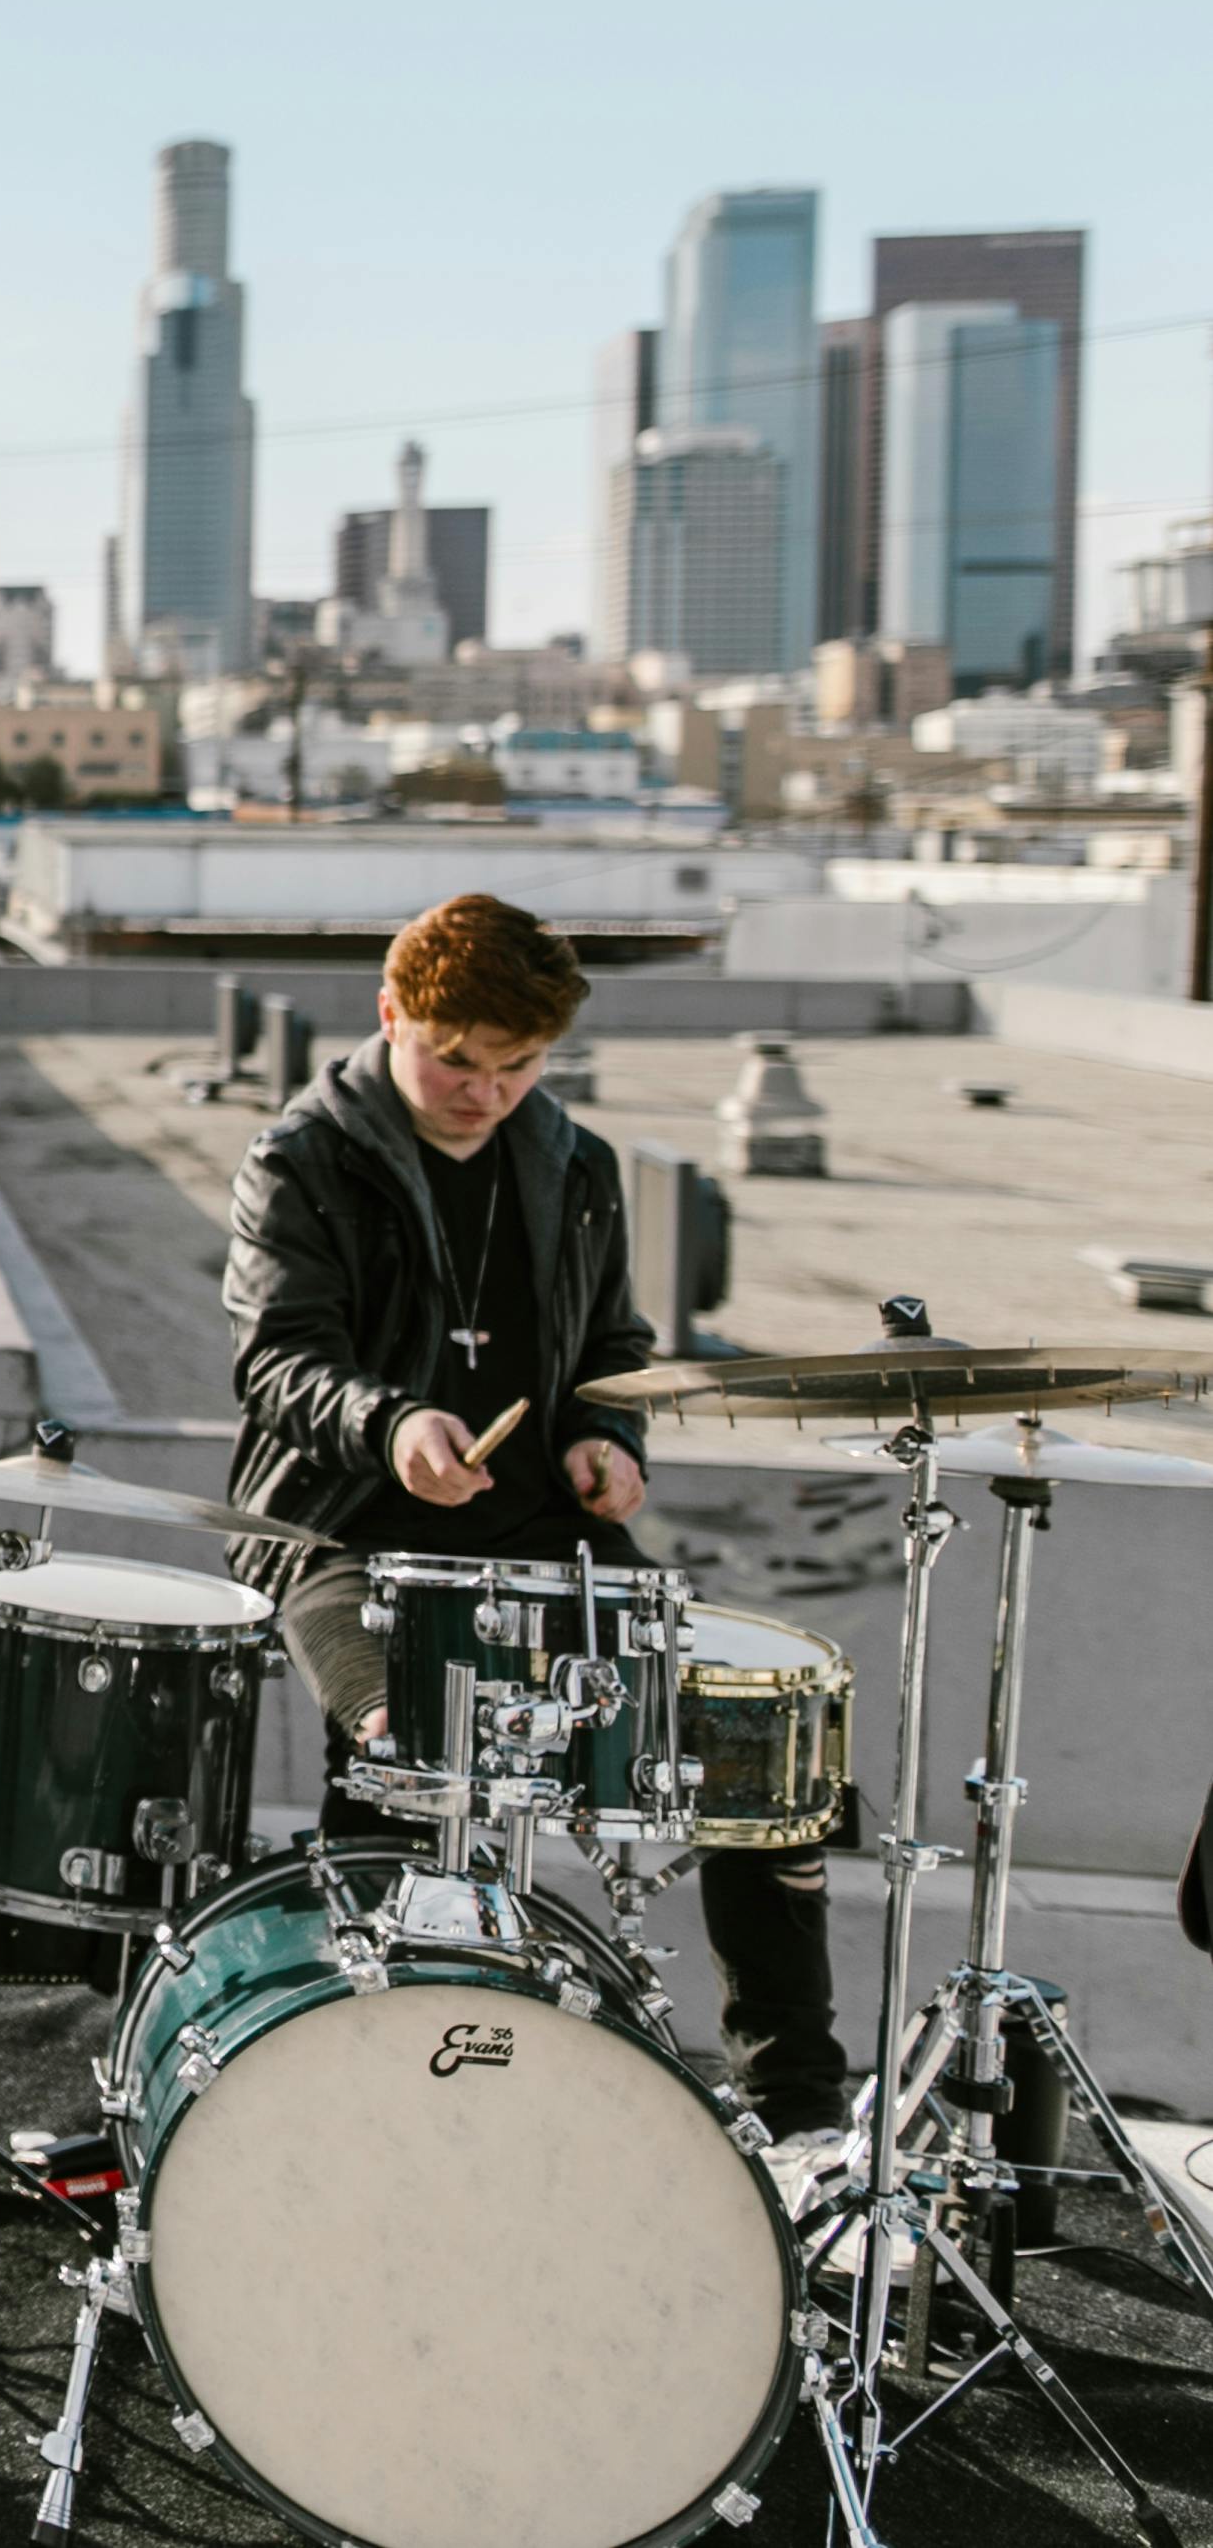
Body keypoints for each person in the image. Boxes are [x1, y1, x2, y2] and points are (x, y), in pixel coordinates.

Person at [225, 894, 847, 2136]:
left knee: (763, 1744)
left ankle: (796, 2114)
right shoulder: (298, 1159)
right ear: (390, 1012)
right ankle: (361, 2089)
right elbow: (275, 1362)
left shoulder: (575, 1166)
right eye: (454, 1061)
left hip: (539, 1540)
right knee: (409, 1745)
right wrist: (392, 1426)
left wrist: (606, 1441)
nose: (485, 1093)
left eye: (516, 1066)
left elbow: (614, 1348)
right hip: (345, 1535)